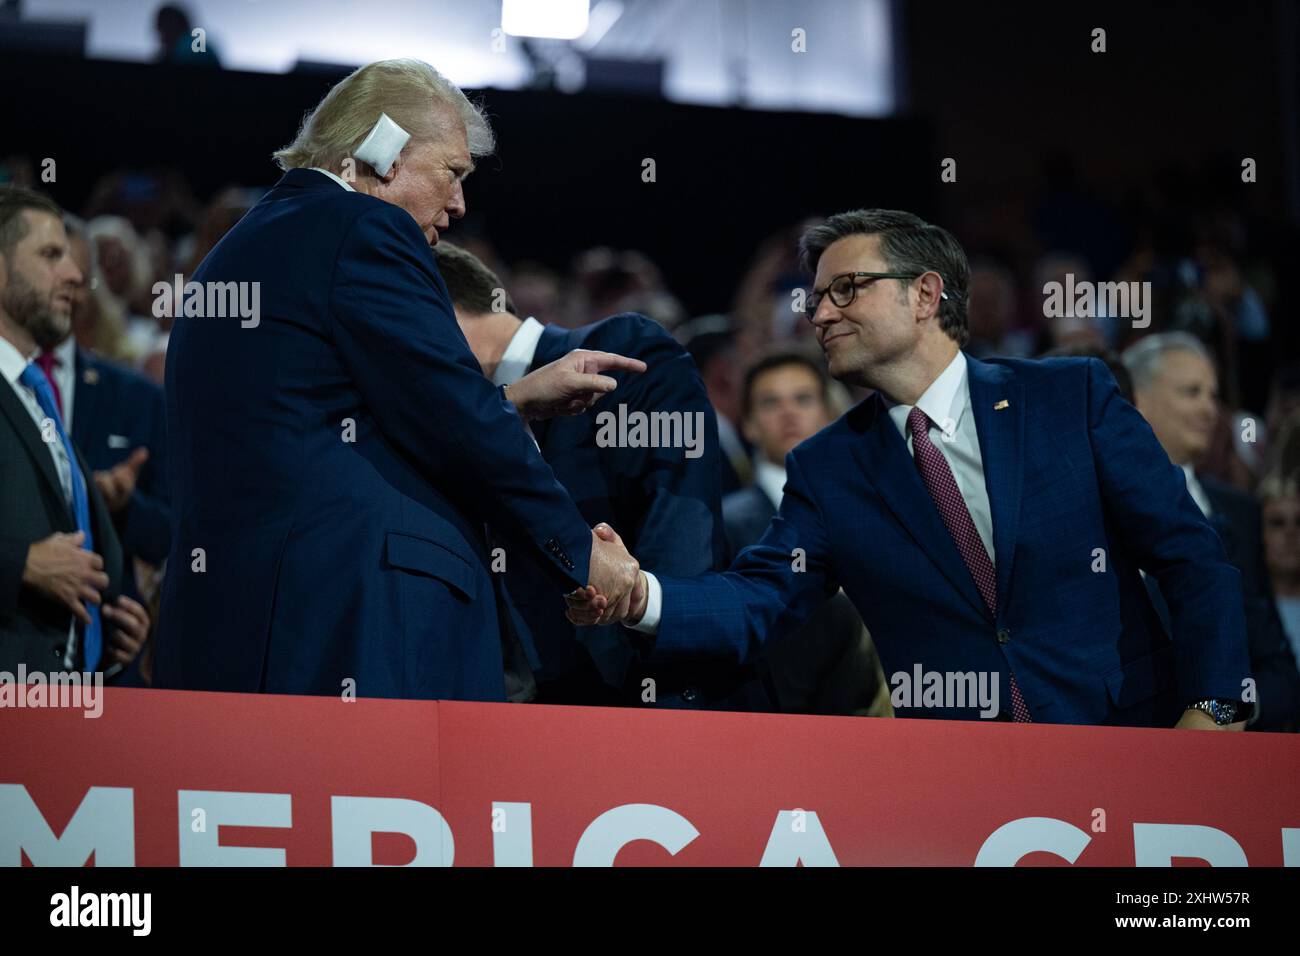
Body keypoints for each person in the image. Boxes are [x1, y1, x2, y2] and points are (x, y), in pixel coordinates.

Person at [571, 209, 1253, 729]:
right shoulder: (829, 467)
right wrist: (640, 595)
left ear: (925, 295)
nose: (821, 313)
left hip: (1128, 741)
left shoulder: (1068, 397)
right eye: (817, 297)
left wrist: (1214, 706)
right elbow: (762, 597)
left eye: (847, 289)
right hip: (963, 785)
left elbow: (1190, 557)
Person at [153, 60, 642, 702]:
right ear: (386, 151)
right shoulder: (362, 227)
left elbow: (323, 415)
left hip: (240, 628)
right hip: (359, 625)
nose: (461, 204)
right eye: (453, 172)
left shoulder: (237, 251)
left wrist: (510, 399)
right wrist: (580, 552)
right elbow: (455, 421)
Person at [434, 241, 730, 707]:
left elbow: (683, 551)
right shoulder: (439, 429)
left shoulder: (622, 352)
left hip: (633, 720)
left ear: (435, 313)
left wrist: (670, 726)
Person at [0, 187, 150, 673]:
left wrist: (104, 636)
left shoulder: (32, 391)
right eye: (50, 255)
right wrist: (19, 563)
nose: (76, 275)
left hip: (55, 712)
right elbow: (33, 561)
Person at [1124, 333, 1300, 729]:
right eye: (1191, 392)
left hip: (1214, 761)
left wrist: (1219, 710)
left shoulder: (1239, 513)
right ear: (1137, 400)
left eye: (1213, 394)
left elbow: (1278, 674)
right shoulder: (1091, 505)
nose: (1210, 409)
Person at [724, 350, 889, 716]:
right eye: (771, 403)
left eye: (802, 399)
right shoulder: (725, 525)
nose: (788, 413)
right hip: (781, 718)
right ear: (749, 424)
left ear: (829, 413)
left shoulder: (877, 509)